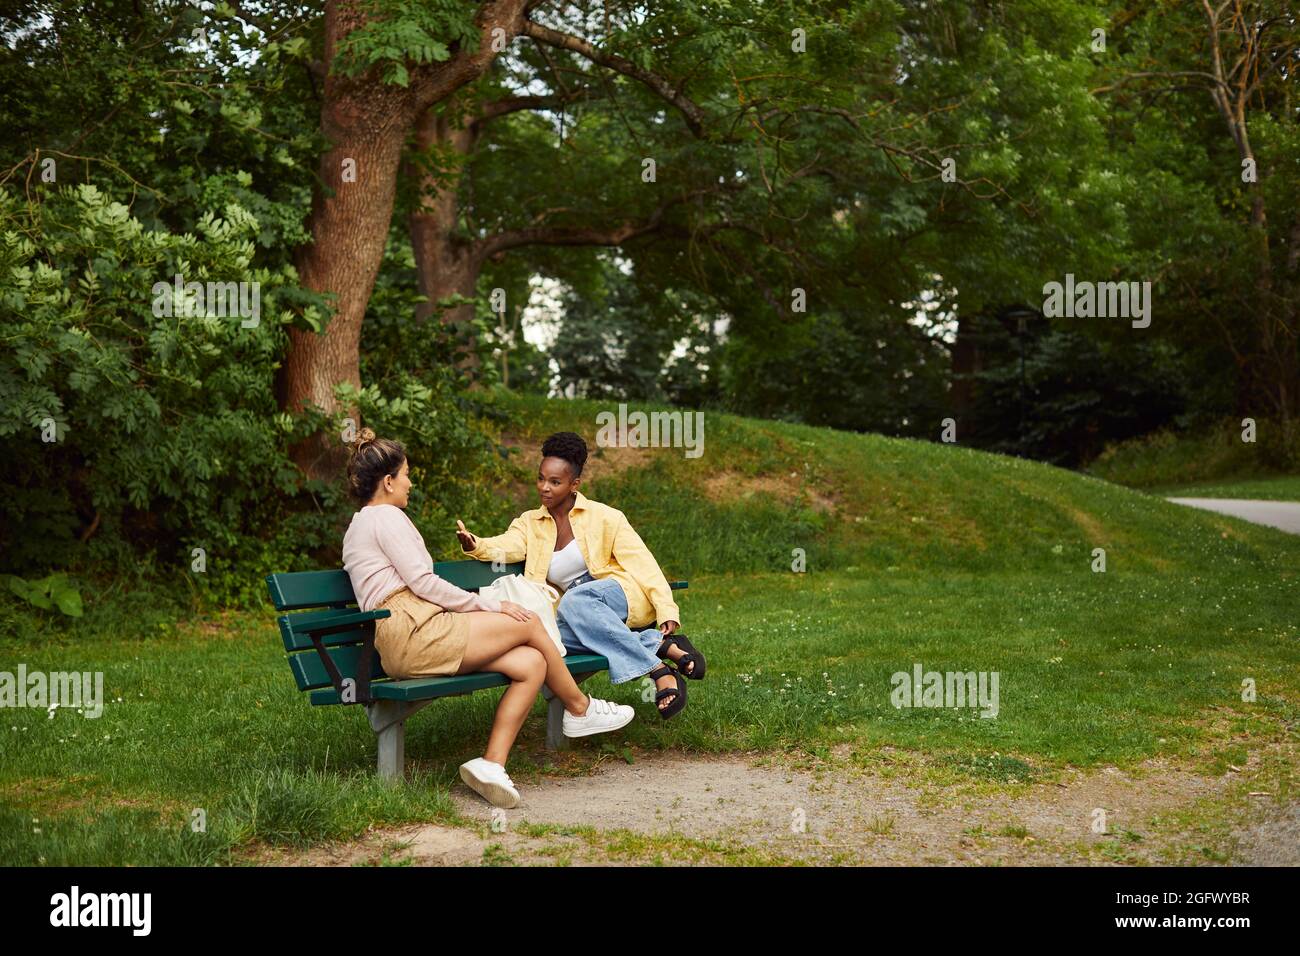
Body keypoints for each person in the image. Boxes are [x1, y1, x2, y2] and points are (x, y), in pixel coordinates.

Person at [341, 428, 634, 809]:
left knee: (530, 663)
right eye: (407, 474)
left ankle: (491, 764)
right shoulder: (386, 517)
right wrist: (489, 605)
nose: (410, 483)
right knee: (527, 620)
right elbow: (423, 582)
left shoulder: (363, 521)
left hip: (411, 632)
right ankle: (580, 708)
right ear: (388, 480)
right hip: (414, 631)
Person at [456, 431, 706, 720]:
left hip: (614, 592)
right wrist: (476, 544)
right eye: (541, 478)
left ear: (574, 484)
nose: (544, 488)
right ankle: (656, 645)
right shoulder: (530, 522)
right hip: (578, 613)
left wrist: (666, 608)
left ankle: (657, 670)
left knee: (575, 601)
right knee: (549, 638)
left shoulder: (606, 517)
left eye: (555, 482)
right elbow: (507, 545)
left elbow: (643, 564)